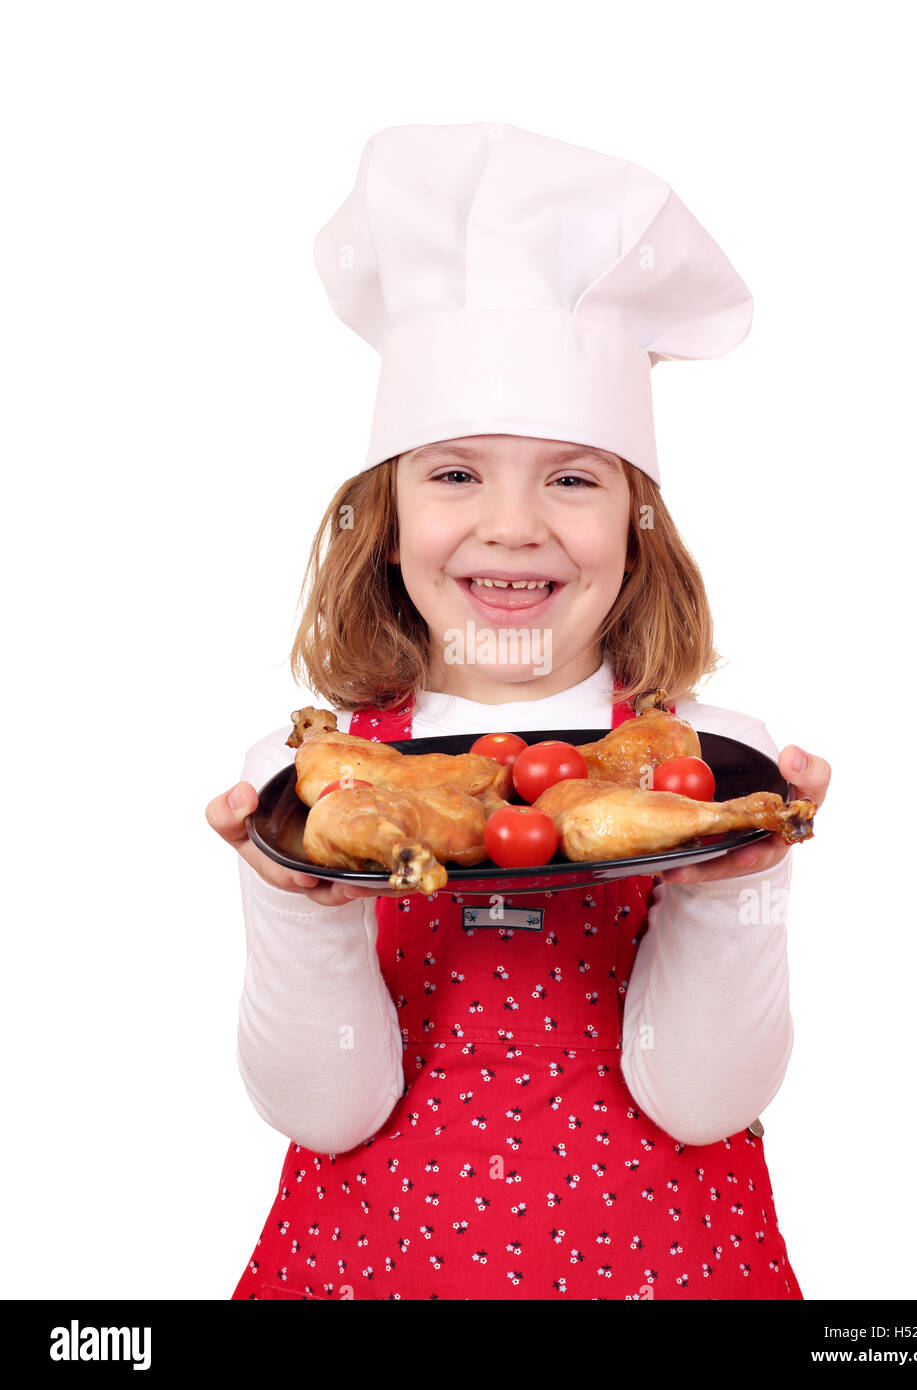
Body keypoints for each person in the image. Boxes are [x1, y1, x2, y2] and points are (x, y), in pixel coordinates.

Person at [206, 122, 831, 1300]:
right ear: (383, 522)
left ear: (637, 525)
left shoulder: (697, 762)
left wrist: (737, 881)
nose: (513, 522)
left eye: (574, 475)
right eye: (453, 472)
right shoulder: (324, 777)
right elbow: (329, 1111)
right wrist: (303, 905)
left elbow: (703, 1101)